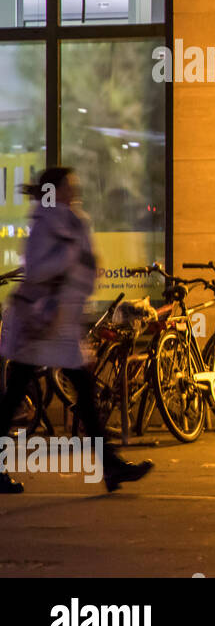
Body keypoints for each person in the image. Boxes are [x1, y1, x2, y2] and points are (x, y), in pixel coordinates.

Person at [0, 168, 154, 494]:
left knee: (82, 396)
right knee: (18, 396)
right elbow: (38, 269)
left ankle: (110, 466)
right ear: (55, 190)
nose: (76, 187)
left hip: (59, 325)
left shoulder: (69, 220)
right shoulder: (46, 224)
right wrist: (70, 255)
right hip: (39, 324)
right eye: (69, 184)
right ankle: (110, 466)